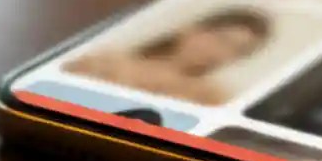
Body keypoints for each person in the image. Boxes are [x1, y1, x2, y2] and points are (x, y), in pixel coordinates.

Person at [64, 8, 272, 105]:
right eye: (221, 39)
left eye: (238, 51)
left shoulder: (213, 97)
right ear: (191, 29)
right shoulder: (108, 61)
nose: (222, 53)